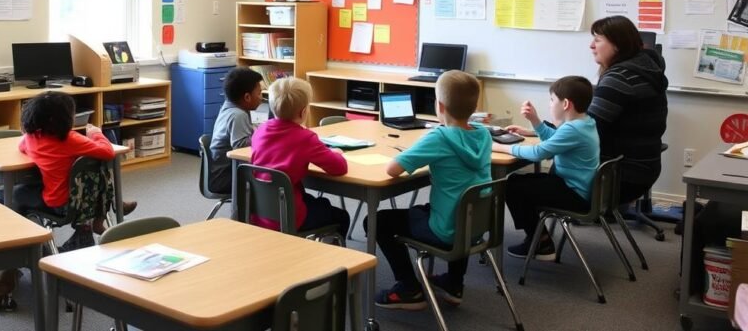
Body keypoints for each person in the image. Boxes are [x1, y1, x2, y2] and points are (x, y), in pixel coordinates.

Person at [374, 70, 491, 310]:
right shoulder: (484, 135)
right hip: (475, 225)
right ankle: (454, 283)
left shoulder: (439, 137)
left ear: (439, 105)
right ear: (474, 105)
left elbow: (392, 170)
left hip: (445, 230)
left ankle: (408, 287)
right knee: (452, 207)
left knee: (379, 221)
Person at [494, 76, 600, 260]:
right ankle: (539, 238)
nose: (550, 105)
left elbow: (538, 153)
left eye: (552, 100)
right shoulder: (585, 122)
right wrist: (535, 122)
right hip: (576, 189)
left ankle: (541, 243)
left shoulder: (573, 129)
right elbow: (556, 139)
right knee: (517, 182)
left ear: (565, 103)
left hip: (573, 194)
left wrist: (499, 146)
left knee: (513, 187)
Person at [15, 91, 137, 249]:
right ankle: (111, 206)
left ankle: (24, 243)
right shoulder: (72, 139)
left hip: (59, 202)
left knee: (16, 193)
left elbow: (21, 147)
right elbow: (107, 152)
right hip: (82, 202)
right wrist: (96, 134)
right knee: (98, 166)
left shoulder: (31, 139)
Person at [249, 76, 350, 238]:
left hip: (259, 212)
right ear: (304, 112)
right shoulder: (306, 138)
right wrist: (336, 153)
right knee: (340, 216)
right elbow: (339, 168)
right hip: (289, 215)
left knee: (318, 203)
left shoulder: (260, 130)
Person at [587, 15, 667, 205]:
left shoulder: (619, 78)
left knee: (521, 186)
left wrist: (545, 131)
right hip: (642, 171)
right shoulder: (644, 69)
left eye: (597, 40)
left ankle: (542, 235)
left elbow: (587, 131)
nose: (591, 46)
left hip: (617, 176)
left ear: (617, 45)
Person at [207, 66, 264, 194]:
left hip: (220, 172)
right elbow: (240, 146)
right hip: (226, 177)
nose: (261, 98)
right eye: (259, 93)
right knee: (271, 177)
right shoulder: (238, 115)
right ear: (247, 97)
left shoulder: (229, 107)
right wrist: (262, 135)